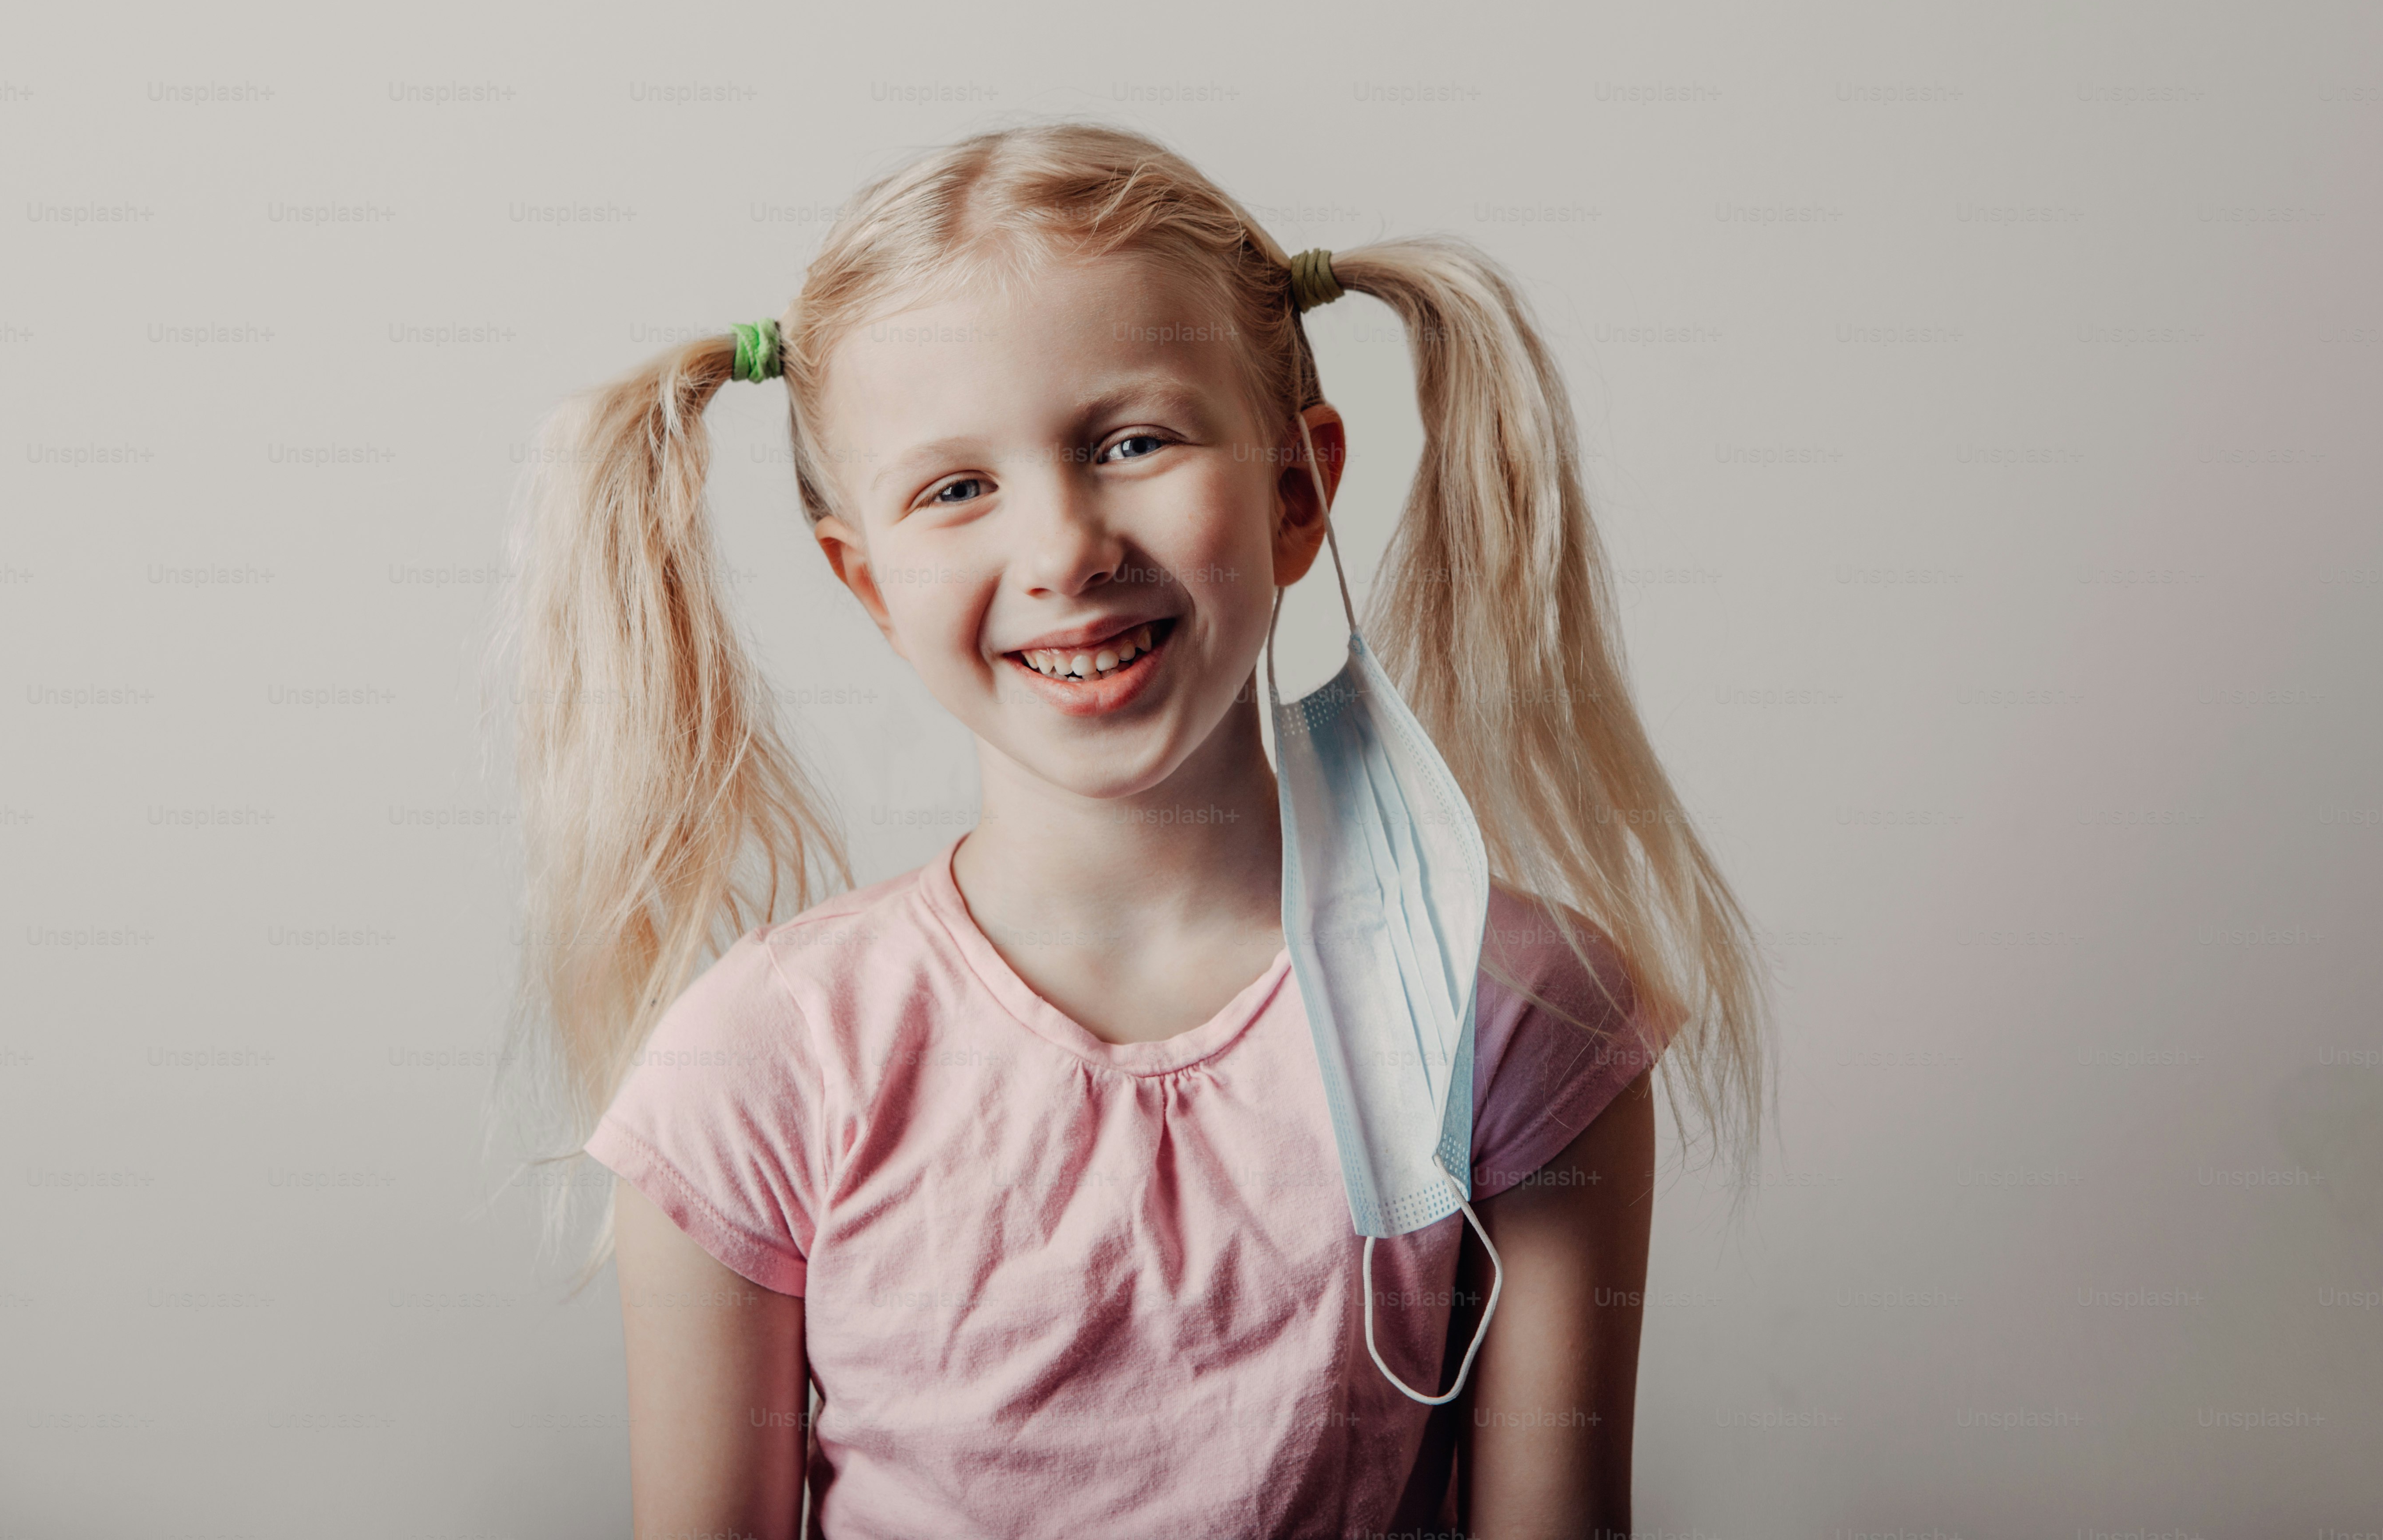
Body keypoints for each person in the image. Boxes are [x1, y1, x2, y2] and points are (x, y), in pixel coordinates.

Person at [501, 120, 1767, 1539]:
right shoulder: (758, 1066)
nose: (1065, 553)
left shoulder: (1515, 1015)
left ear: (1298, 491)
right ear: (867, 582)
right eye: (957, 488)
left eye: (1133, 442)